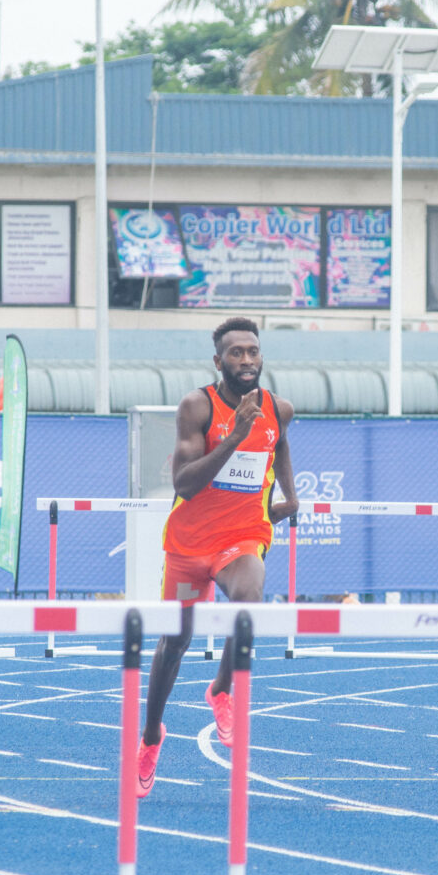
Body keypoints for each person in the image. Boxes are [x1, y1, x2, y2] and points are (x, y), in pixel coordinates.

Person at [137, 317, 298, 797]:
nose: (246, 360)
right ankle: (151, 735)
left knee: (249, 598)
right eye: (236, 353)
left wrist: (291, 495)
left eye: (252, 351)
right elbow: (185, 483)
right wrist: (233, 435)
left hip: (242, 535)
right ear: (218, 361)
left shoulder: (279, 409)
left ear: (261, 356)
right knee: (175, 644)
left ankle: (223, 688)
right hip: (188, 545)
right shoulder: (197, 406)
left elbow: (279, 445)